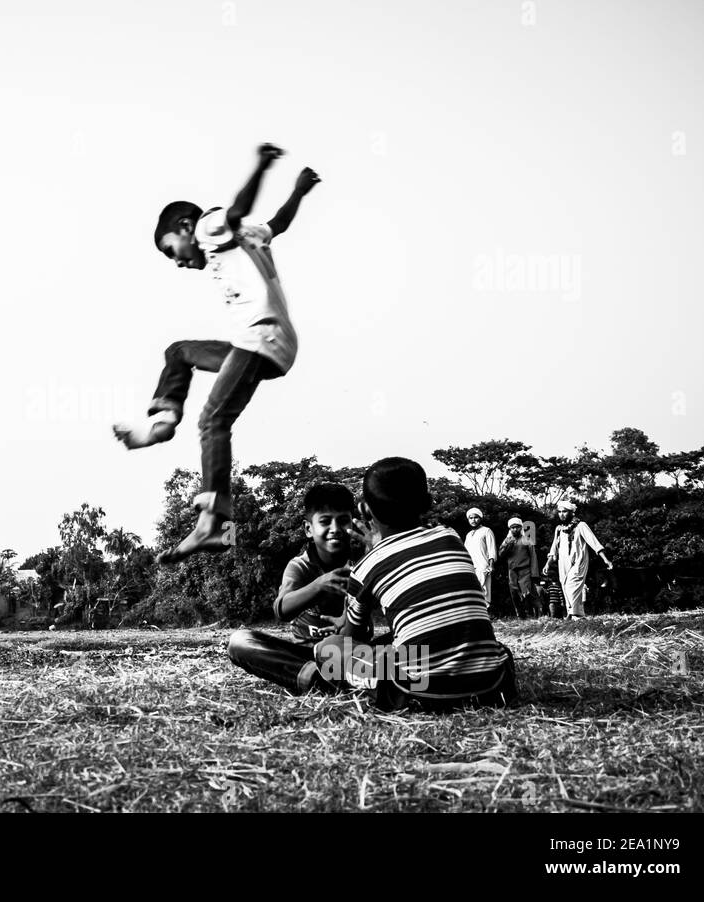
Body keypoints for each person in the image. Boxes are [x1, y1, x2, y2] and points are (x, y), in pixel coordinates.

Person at [113, 143, 321, 565]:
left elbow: (237, 210)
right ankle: (166, 421)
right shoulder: (246, 238)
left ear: (186, 227)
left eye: (172, 250)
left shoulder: (209, 227)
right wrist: (299, 191)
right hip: (267, 341)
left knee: (212, 419)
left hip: (260, 336)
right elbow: (276, 223)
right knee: (180, 352)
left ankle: (213, 519)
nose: (177, 262)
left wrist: (261, 166)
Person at [306, 458, 516, 710]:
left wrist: (342, 625)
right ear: (426, 502)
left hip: (420, 690)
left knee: (329, 649)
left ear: (366, 510)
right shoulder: (449, 536)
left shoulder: (366, 566)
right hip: (494, 685)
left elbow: (353, 637)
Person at [227, 484, 369, 689]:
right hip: (309, 657)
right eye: (325, 521)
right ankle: (317, 680)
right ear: (308, 529)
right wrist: (320, 585)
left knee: (418, 645)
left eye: (343, 520)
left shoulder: (365, 560)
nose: (336, 529)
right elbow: (281, 610)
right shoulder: (300, 566)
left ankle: (349, 678)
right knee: (240, 641)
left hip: (357, 653)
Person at [544, 500, 614, 620]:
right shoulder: (559, 529)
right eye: (559, 512)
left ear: (571, 512)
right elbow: (553, 548)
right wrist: (547, 564)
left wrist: (606, 560)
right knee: (565, 586)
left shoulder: (581, 526)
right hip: (563, 562)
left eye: (564, 511)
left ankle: (575, 614)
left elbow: (594, 542)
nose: (561, 514)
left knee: (572, 586)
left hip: (578, 560)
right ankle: (574, 615)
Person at [499, 517, 540, 617]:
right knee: (514, 593)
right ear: (510, 529)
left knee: (526, 592)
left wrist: (534, 574)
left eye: (517, 527)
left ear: (521, 528)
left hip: (525, 570)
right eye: (512, 528)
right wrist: (507, 545)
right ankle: (520, 615)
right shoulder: (507, 540)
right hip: (512, 571)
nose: (515, 529)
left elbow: (533, 556)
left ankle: (531, 614)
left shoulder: (526, 539)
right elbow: (500, 554)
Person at [463, 508, 497, 608]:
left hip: (483, 565)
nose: (473, 520)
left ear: (480, 518)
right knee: (472, 591)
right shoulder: (468, 535)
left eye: (476, 517)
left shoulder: (486, 531)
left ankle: (486, 614)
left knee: (483, 590)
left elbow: (491, 549)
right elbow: (465, 551)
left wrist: (491, 565)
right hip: (471, 566)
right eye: (471, 518)